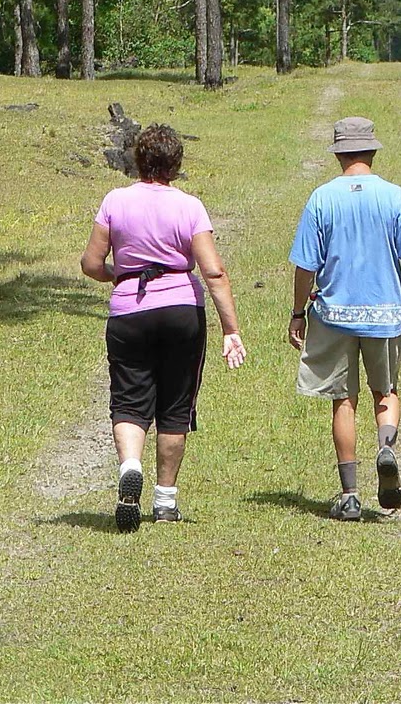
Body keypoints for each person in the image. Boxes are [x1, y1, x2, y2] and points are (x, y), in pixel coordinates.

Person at [80, 123, 245, 531]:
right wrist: (231, 329)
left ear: (137, 160)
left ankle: (130, 467)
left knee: (129, 398)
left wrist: (118, 275)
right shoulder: (190, 206)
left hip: (128, 312)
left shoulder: (115, 201)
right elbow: (214, 271)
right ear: (175, 164)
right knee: (175, 404)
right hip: (181, 311)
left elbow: (91, 263)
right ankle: (166, 501)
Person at [288, 115, 401, 522]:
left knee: (343, 399)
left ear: (338, 154)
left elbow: (305, 266)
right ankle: (385, 447)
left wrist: (298, 313)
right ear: (371, 152)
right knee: (385, 390)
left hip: (333, 315)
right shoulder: (395, 197)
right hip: (384, 315)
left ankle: (350, 494)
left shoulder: (321, 198)